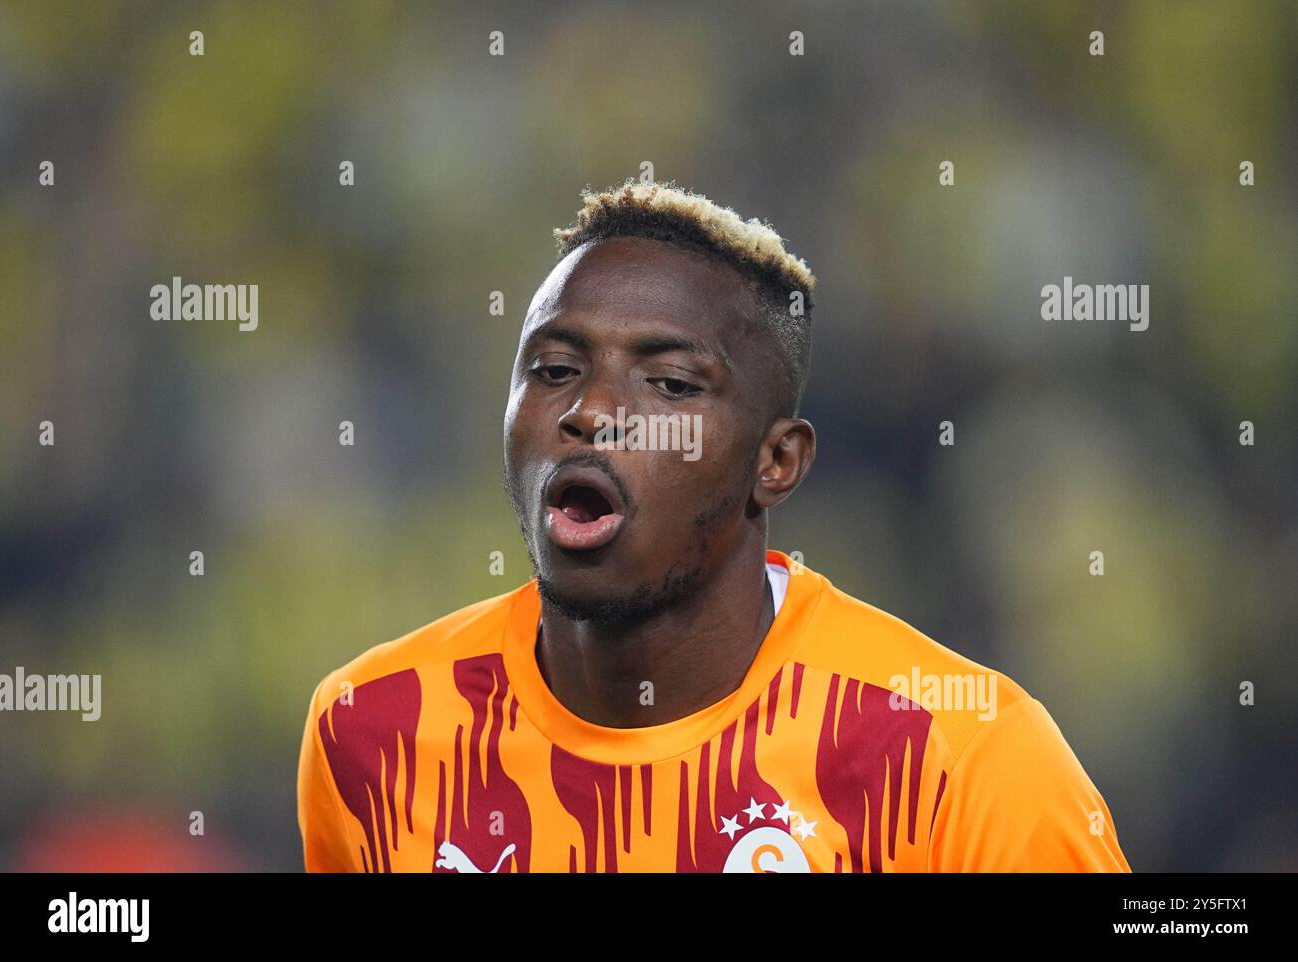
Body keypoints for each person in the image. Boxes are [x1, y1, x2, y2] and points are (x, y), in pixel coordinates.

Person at [297, 179, 1130, 873]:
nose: (591, 413)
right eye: (555, 371)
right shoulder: (371, 734)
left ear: (776, 463)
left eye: (669, 386)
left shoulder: (965, 759)